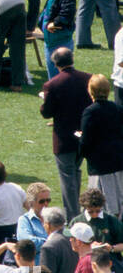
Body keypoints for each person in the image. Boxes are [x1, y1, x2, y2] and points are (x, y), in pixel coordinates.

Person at [39, 46, 92, 218]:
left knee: (68, 178)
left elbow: (46, 112)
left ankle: (73, 217)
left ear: (55, 63)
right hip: (83, 135)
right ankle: (77, 211)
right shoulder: (88, 78)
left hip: (64, 138)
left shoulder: (52, 84)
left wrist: (43, 101)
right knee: (75, 172)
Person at [78, 73, 123, 215]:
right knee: (119, 198)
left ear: (91, 91)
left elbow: (86, 140)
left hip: (100, 164)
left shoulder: (90, 112)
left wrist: (81, 149)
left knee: (100, 202)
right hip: (118, 160)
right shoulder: (117, 108)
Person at [38, 0, 77, 80]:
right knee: (55, 77)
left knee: (59, 78)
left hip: (59, 41)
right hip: (53, 40)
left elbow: (67, 13)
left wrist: (54, 23)